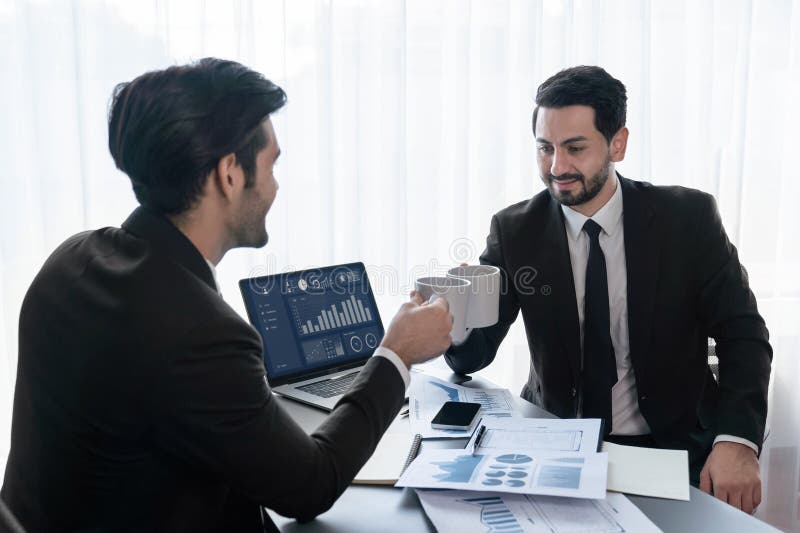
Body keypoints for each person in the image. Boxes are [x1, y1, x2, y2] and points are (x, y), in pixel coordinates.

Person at [1, 58, 453, 532]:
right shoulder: (199, 331)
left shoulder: (70, 262)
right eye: (272, 164)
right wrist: (397, 353)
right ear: (230, 173)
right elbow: (310, 486)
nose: (276, 186)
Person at [446, 66, 771, 513]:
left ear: (618, 143)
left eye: (575, 148)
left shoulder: (687, 219)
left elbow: (744, 335)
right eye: (545, 148)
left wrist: (736, 440)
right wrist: (457, 316)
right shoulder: (516, 230)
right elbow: (473, 356)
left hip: (673, 448)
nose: (557, 167)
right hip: (559, 445)